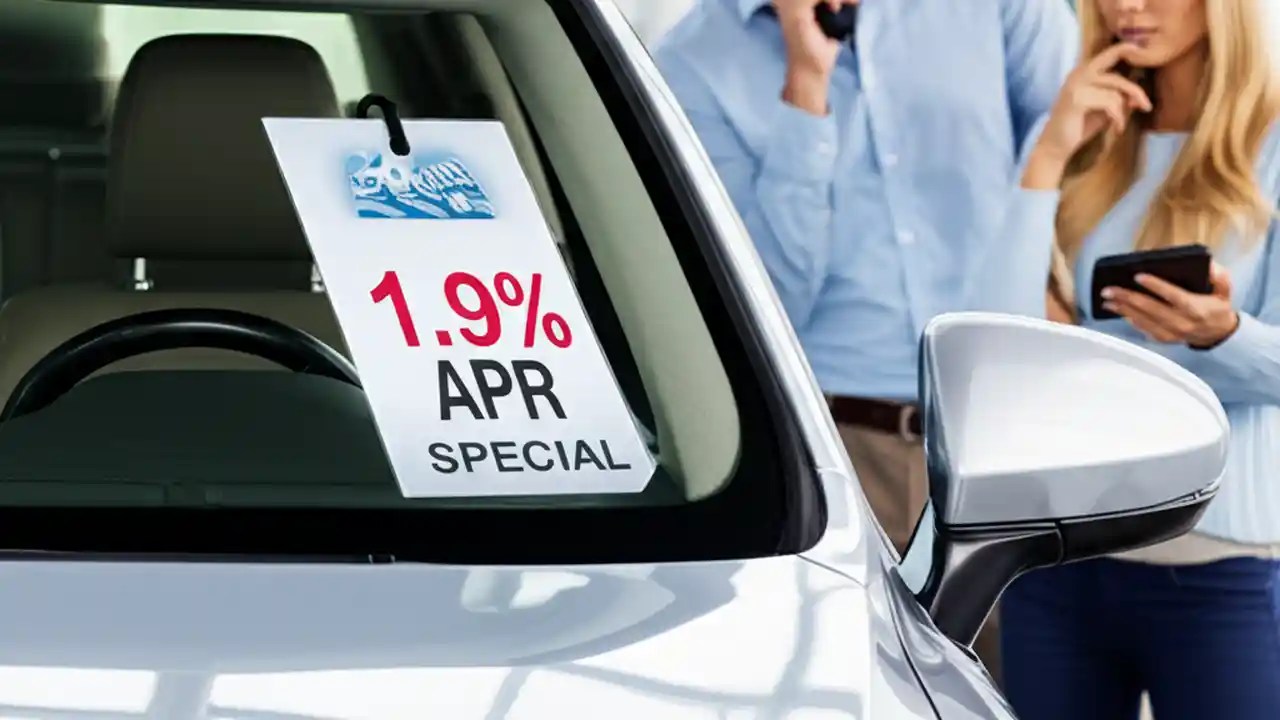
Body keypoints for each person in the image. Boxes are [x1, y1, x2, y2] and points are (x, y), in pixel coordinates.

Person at [653, 0, 1078, 682]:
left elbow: (1077, 163)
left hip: (1009, 429)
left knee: (1027, 690)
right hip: (843, 453)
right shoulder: (690, 64)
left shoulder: (1001, 8)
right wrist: (806, 90)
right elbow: (772, 297)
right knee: (852, 685)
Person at [969, 1, 1280, 718]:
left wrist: (1222, 335)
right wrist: (1047, 155)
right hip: (1059, 561)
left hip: (1218, 566)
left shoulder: (1271, 146)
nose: (1124, 7)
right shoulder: (1084, 136)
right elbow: (996, 342)